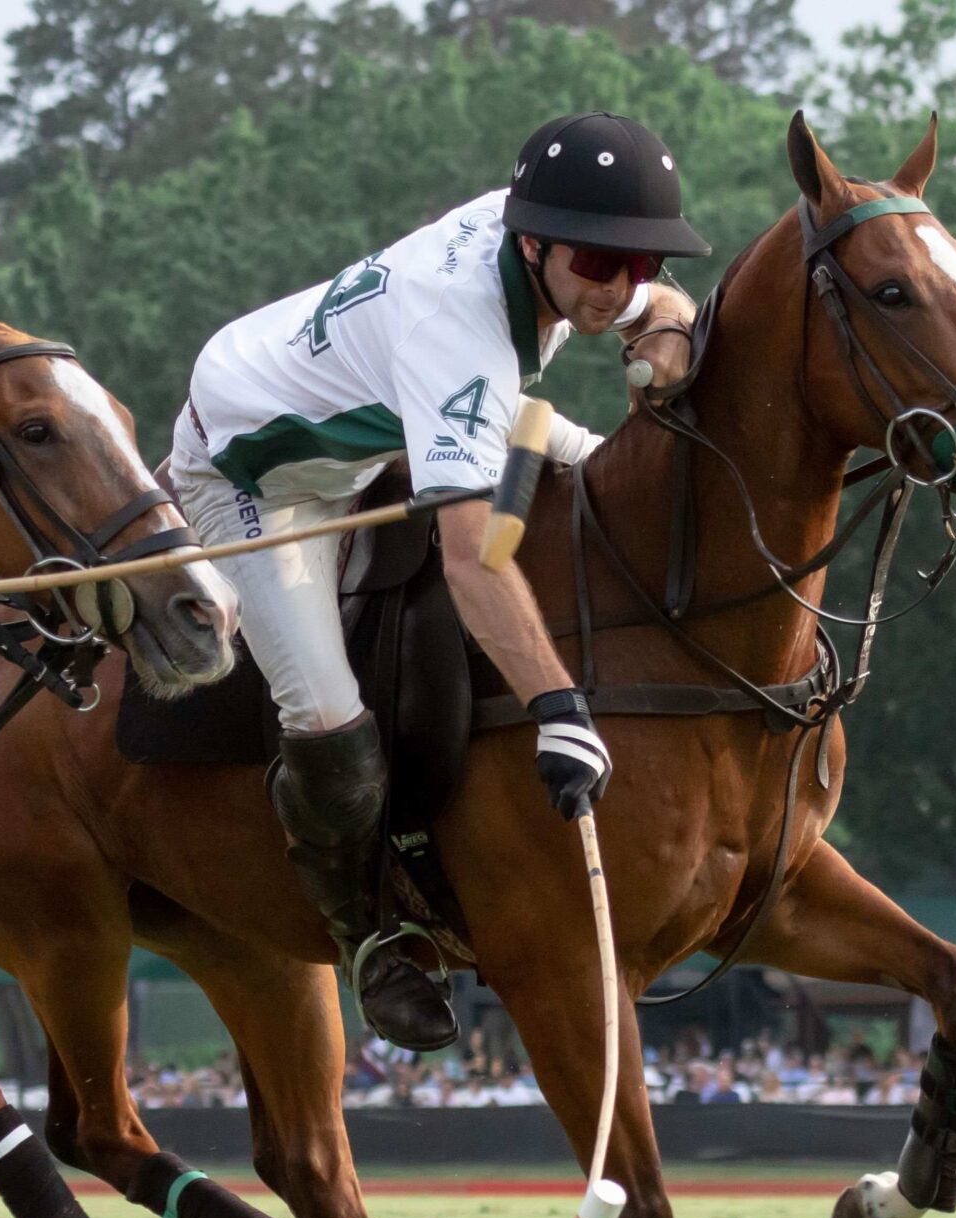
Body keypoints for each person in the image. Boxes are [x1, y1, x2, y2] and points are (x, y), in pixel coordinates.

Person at [170, 112, 707, 1050]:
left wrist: (664, 328)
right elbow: (473, 557)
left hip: (408, 417)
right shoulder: (456, 325)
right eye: (602, 266)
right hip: (259, 477)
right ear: (532, 242)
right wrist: (559, 706)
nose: (620, 285)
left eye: (642, 262)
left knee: (607, 485)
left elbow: (664, 306)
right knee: (328, 715)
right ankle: (371, 936)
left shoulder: (568, 247)